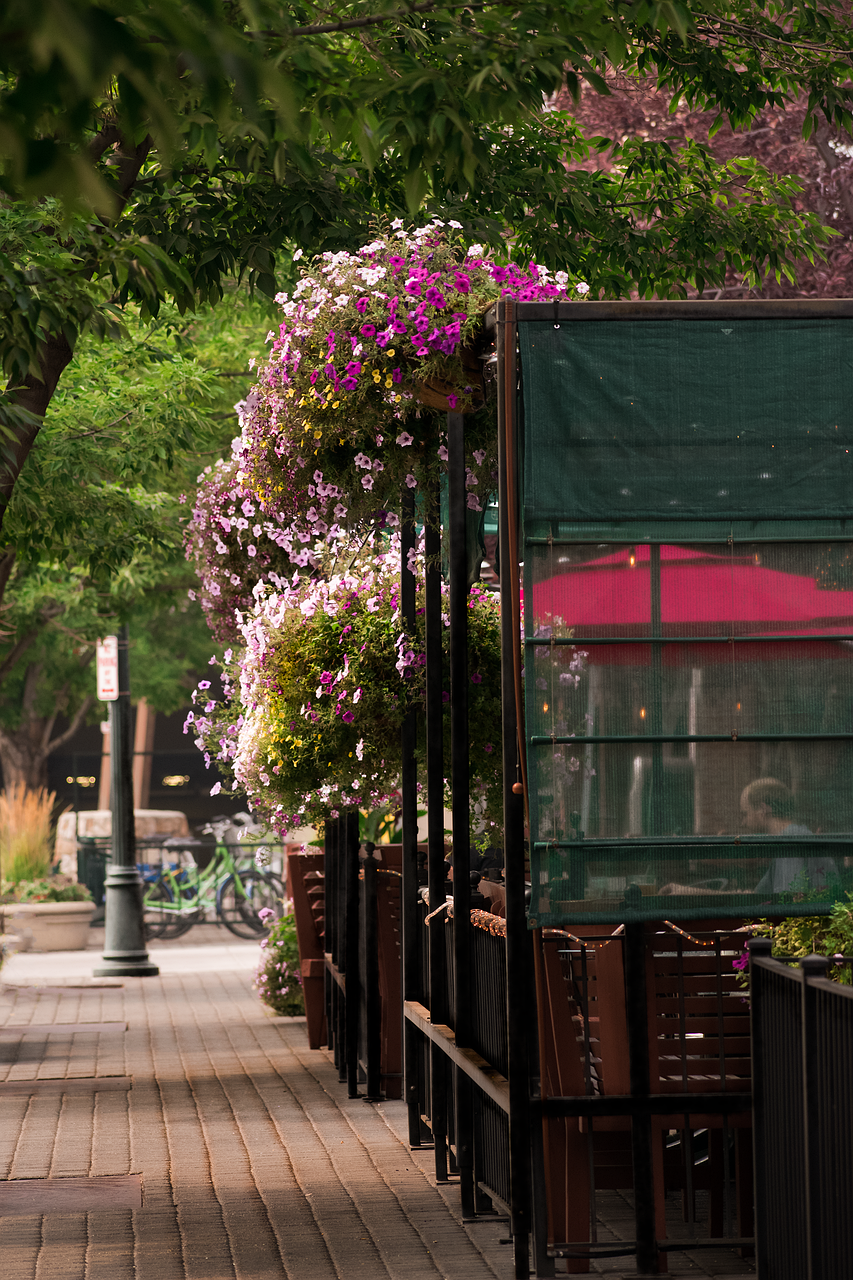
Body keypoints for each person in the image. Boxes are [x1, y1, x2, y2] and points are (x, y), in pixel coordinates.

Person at [741, 777, 837, 895]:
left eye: (745, 813)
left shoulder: (790, 842)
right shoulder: (790, 837)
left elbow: (789, 902)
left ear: (763, 809)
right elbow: (755, 896)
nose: (743, 822)